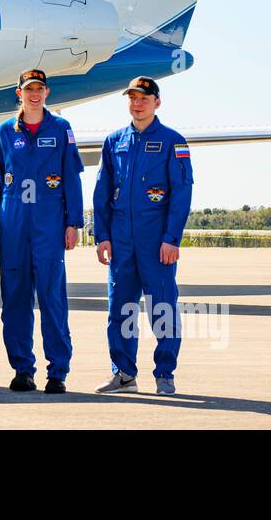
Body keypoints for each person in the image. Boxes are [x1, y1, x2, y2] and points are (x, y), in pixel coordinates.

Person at [0, 69, 84, 394]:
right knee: (16, 300)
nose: (34, 94)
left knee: (52, 299)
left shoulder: (61, 129)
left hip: (49, 227)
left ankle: (57, 372)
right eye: (28, 89)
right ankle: (23, 369)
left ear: (47, 93)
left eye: (40, 89)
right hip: (13, 227)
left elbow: (72, 179)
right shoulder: (5, 131)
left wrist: (72, 223)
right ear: (19, 94)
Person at [92, 76, 193, 395]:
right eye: (132, 98)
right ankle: (123, 374)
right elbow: (102, 192)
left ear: (157, 103)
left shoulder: (173, 142)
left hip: (156, 243)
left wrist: (171, 239)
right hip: (121, 243)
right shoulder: (114, 141)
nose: (137, 103)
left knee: (162, 308)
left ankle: (165, 374)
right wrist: (102, 235)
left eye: (144, 98)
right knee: (120, 310)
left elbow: (181, 193)